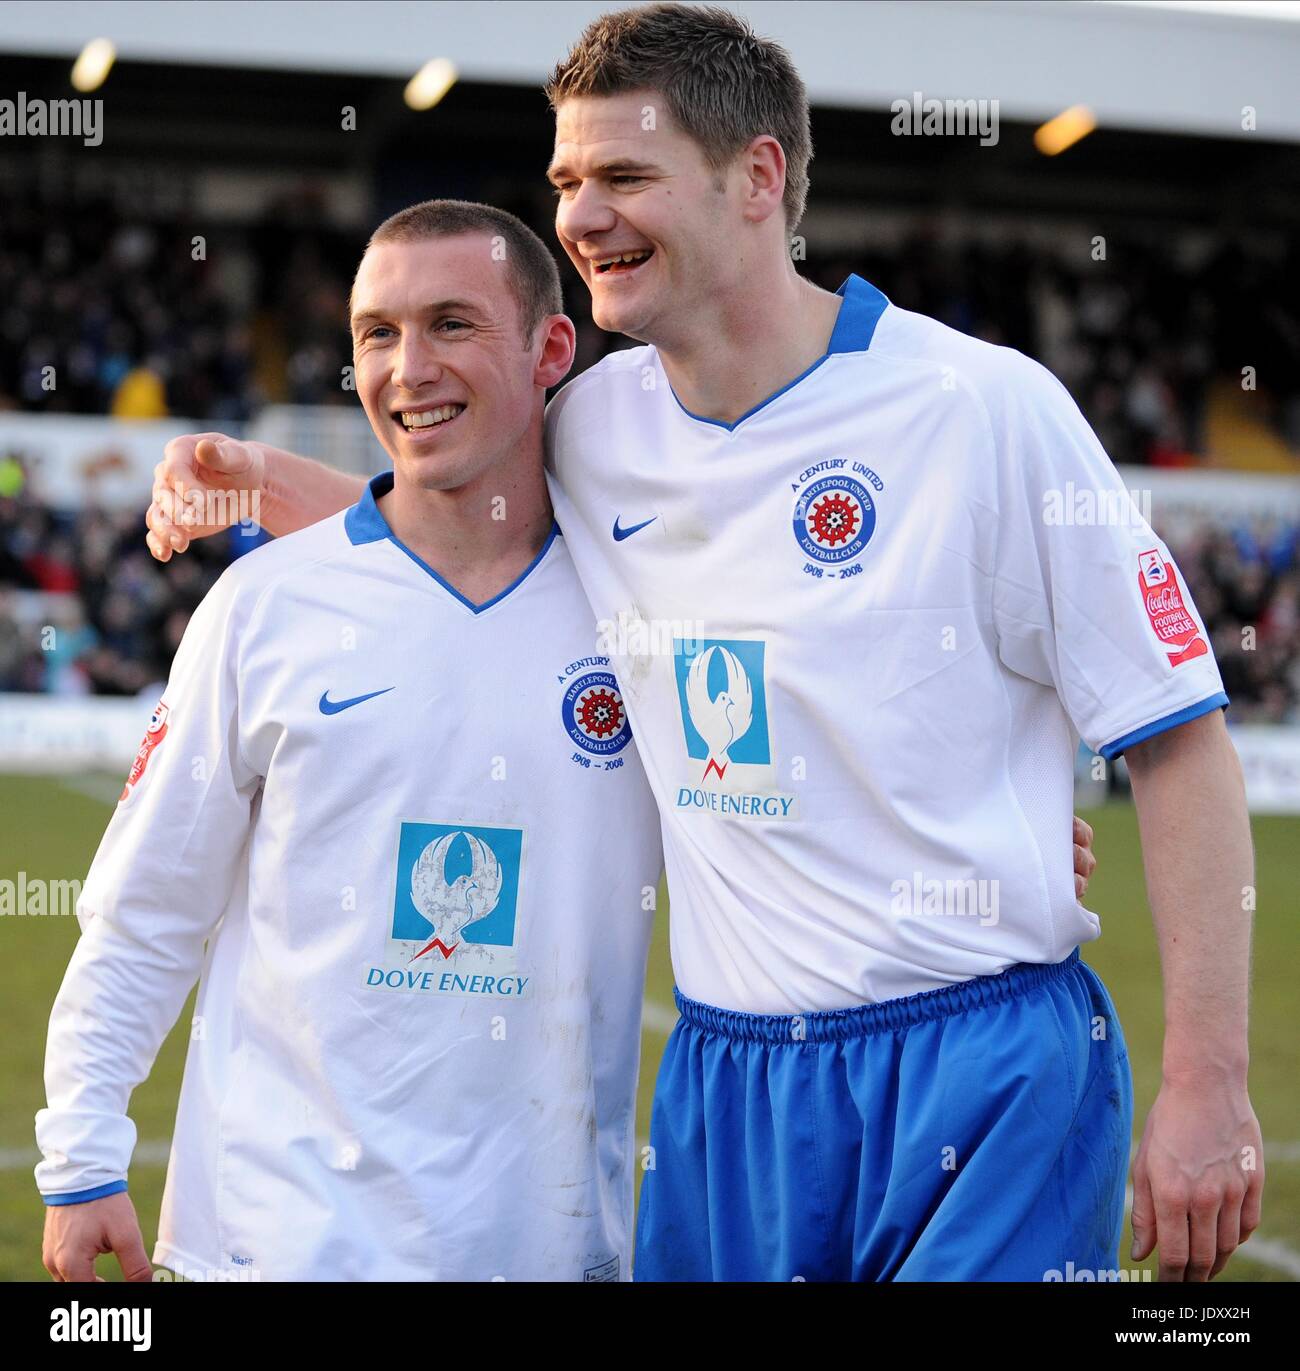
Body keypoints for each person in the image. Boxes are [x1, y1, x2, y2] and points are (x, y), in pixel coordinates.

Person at [146, 5, 1244, 1284]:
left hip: (980, 1067)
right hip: (730, 1091)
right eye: (566, 180)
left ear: (758, 177)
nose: (582, 216)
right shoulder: (595, 423)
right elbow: (451, 534)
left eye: (624, 176)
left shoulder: (981, 411)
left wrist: (1209, 1082)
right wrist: (248, 472)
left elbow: (1176, 740)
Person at [37, 203, 662, 1282]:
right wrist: (83, 1154)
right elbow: (146, 907)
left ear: (550, 349)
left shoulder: (640, 612)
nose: (407, 368)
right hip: (277, 1242)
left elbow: (776, 809)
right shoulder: (262, 605)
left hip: (552, 1246)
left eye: (452, 324)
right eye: (377, 333)